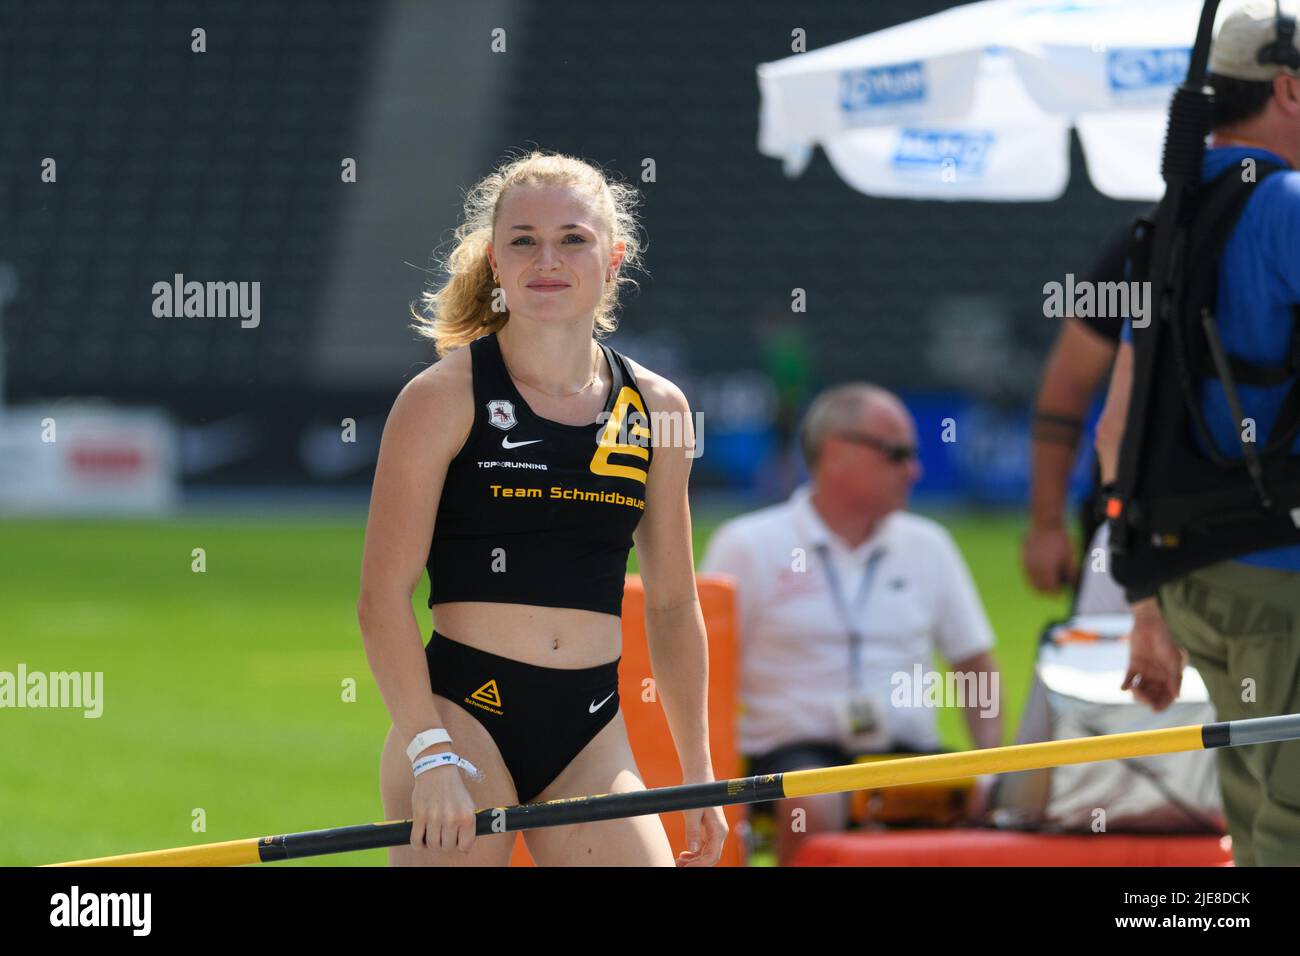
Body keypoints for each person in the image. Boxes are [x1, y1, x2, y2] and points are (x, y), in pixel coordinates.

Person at [356, 150, 727, 866]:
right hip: (460, 720)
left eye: (572, 239)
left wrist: (698, 773)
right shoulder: (439, 396)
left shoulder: (660, 407)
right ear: (495, 260)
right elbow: (381, 599)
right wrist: (429, 754)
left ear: (614, 256)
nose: (546, 258)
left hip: (591, 732)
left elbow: (675, 605)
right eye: (523, 240)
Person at [1096, 0, 1300, 865]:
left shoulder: (1165, 221)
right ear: (1288, 89)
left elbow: (1117, 430)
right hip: (1280, 574)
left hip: (1193, 578)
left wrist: (1146, 602)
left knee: (1257, 821)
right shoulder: (1287, 203)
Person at [701, 383, 1002, 864]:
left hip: (905, 751)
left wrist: (990, 766)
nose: (914, 470)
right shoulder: (748, 545)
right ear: (837, 453)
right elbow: (703, 670)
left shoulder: (929, 545)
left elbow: (974, 662)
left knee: (994, 798)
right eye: (898, 453)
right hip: (792, 753)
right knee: (811, 802)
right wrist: (704, 774)